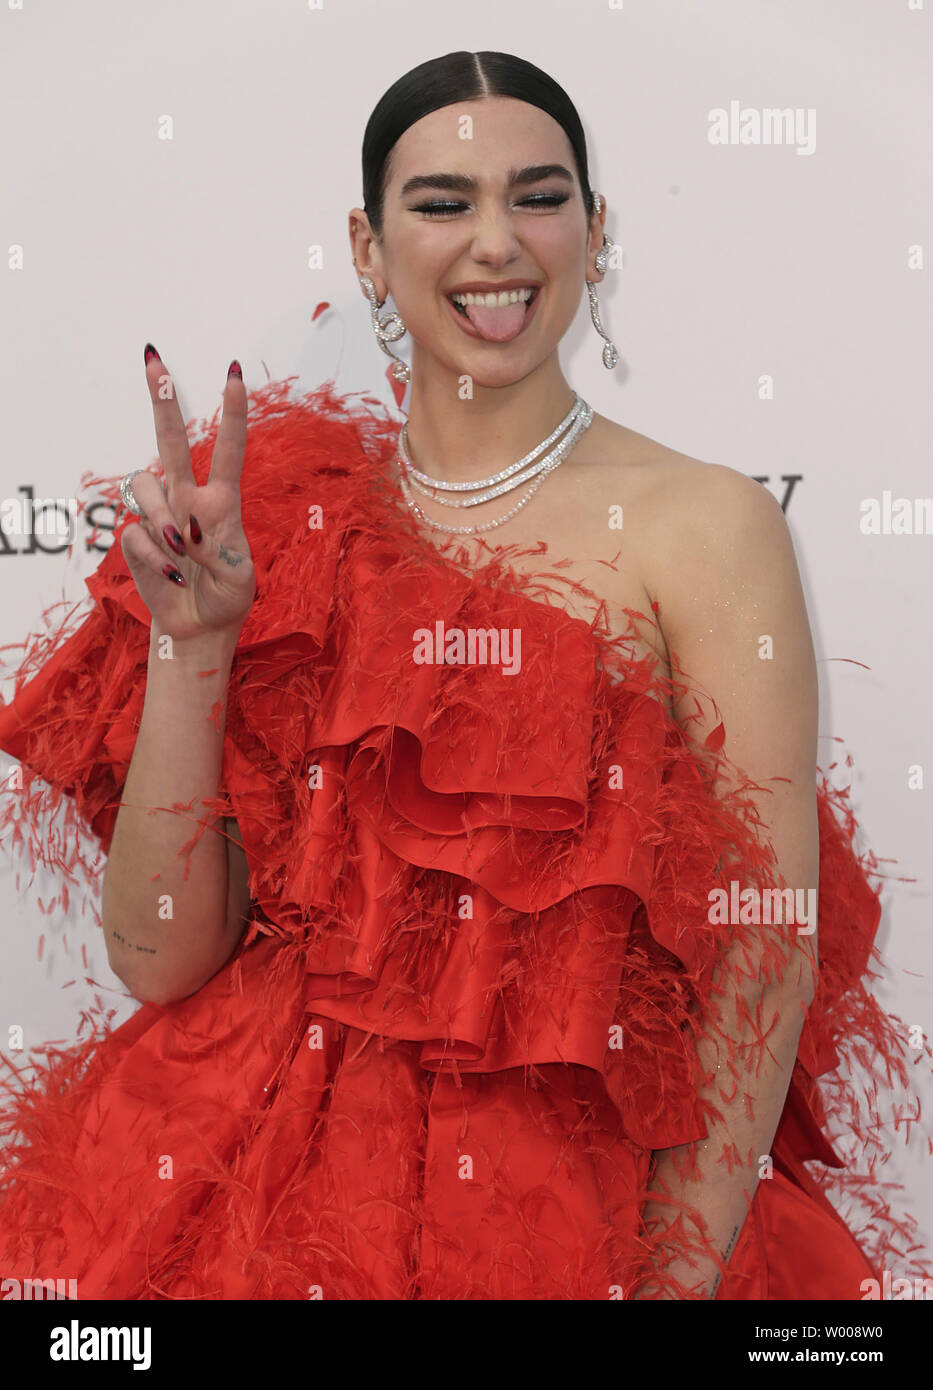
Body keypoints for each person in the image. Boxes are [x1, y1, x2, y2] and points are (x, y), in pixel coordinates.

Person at [0, 50, 925, 1301]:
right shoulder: (276, 518)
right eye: (442, 203)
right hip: (242, 1206)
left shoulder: (708, 527)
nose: (496, 242)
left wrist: (675, 1277)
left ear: (595, 234)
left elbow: (765, 948)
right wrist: (194, 643)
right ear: (368, 246)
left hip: (578, 1222)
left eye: (538, 197)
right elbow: (161, 960)